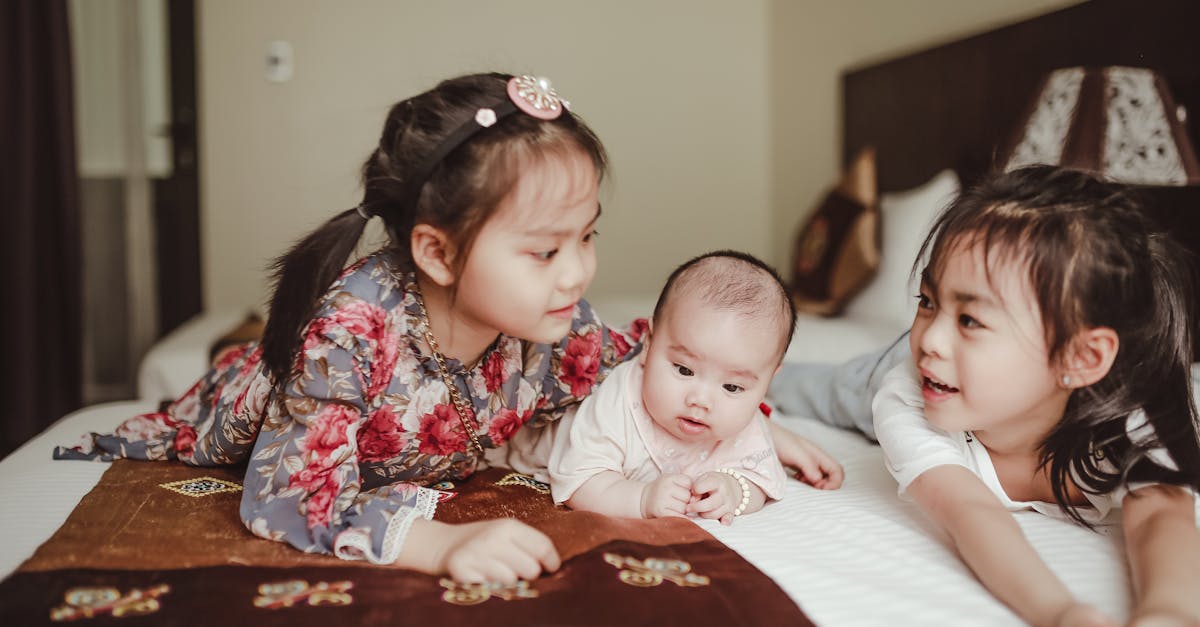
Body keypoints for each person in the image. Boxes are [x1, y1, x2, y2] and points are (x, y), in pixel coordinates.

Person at [55, 72, 646, 584]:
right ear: (438, 254)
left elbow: (648, 357)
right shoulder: (347, 332)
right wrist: (438, 545)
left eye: (588, 237)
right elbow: (289, 497)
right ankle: (246, 339)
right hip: (253, 392)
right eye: (545, 251)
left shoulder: (556, 328)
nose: (578, 273)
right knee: (253, 360)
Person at [773, 165, 1200, 626]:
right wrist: (1060, 612)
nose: (930, 338)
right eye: (927, 301)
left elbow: (1161, 512)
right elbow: (967, 510)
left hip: (963, 382)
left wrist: (1169, 612)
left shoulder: (1136, 409)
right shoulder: (905, 391)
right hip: (878, 377)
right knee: (807, 385)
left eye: (971, 320)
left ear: (1080, 357)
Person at [548, 251, 843, 525]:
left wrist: (735, 491)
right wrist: (641, 499)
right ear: (649, 343)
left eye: (732, 386)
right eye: (684, 370)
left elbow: (761, 478)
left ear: (767, 382)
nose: (700, 400)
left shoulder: (743, 421)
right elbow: (580, 481)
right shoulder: (616, 398)